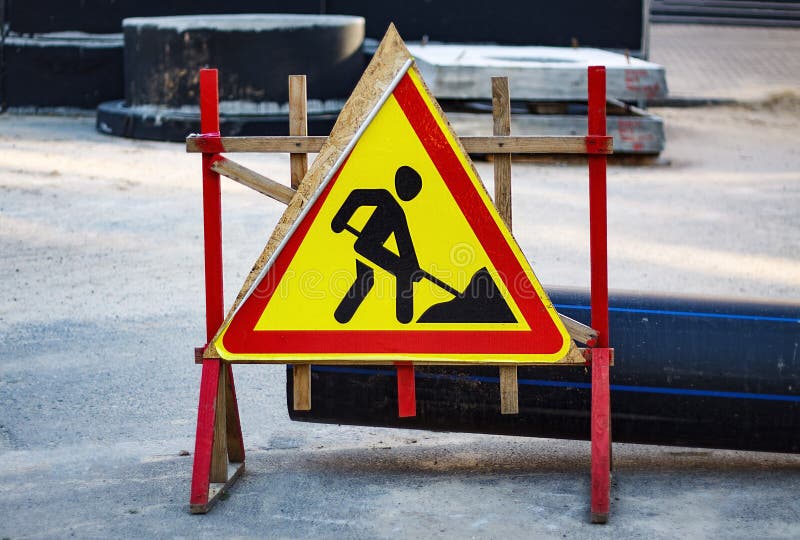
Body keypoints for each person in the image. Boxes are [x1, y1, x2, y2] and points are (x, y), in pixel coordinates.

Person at [331, 165, 423, 323]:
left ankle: (341, 317)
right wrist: (339, 220)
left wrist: (414, 265)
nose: (410, 195)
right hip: (367, 246)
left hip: (370, 248)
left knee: (367, 278)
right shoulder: (385, 198)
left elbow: (404, 243)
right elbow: (356, 196)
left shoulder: (398, 211)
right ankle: (404, 315)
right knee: (403, 272)